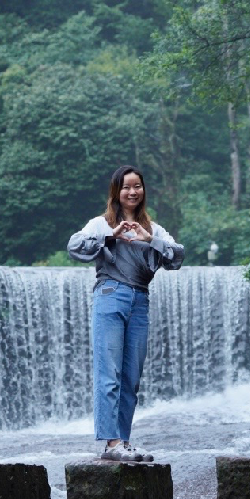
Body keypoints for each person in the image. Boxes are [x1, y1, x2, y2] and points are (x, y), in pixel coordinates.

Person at [67, 165, 184, 462]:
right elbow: (74, 247)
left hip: (140, 300)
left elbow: (176, 257)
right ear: (116, 192)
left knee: (131, 376)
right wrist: (109, 236)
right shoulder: (100, 224)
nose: (132, 192)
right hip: (110, 295)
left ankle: (124, 442)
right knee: (110, 373)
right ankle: (111, 443)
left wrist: (149, 240)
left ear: (143, 191)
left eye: (138, 186)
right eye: (126, 187)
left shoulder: (153, 228)